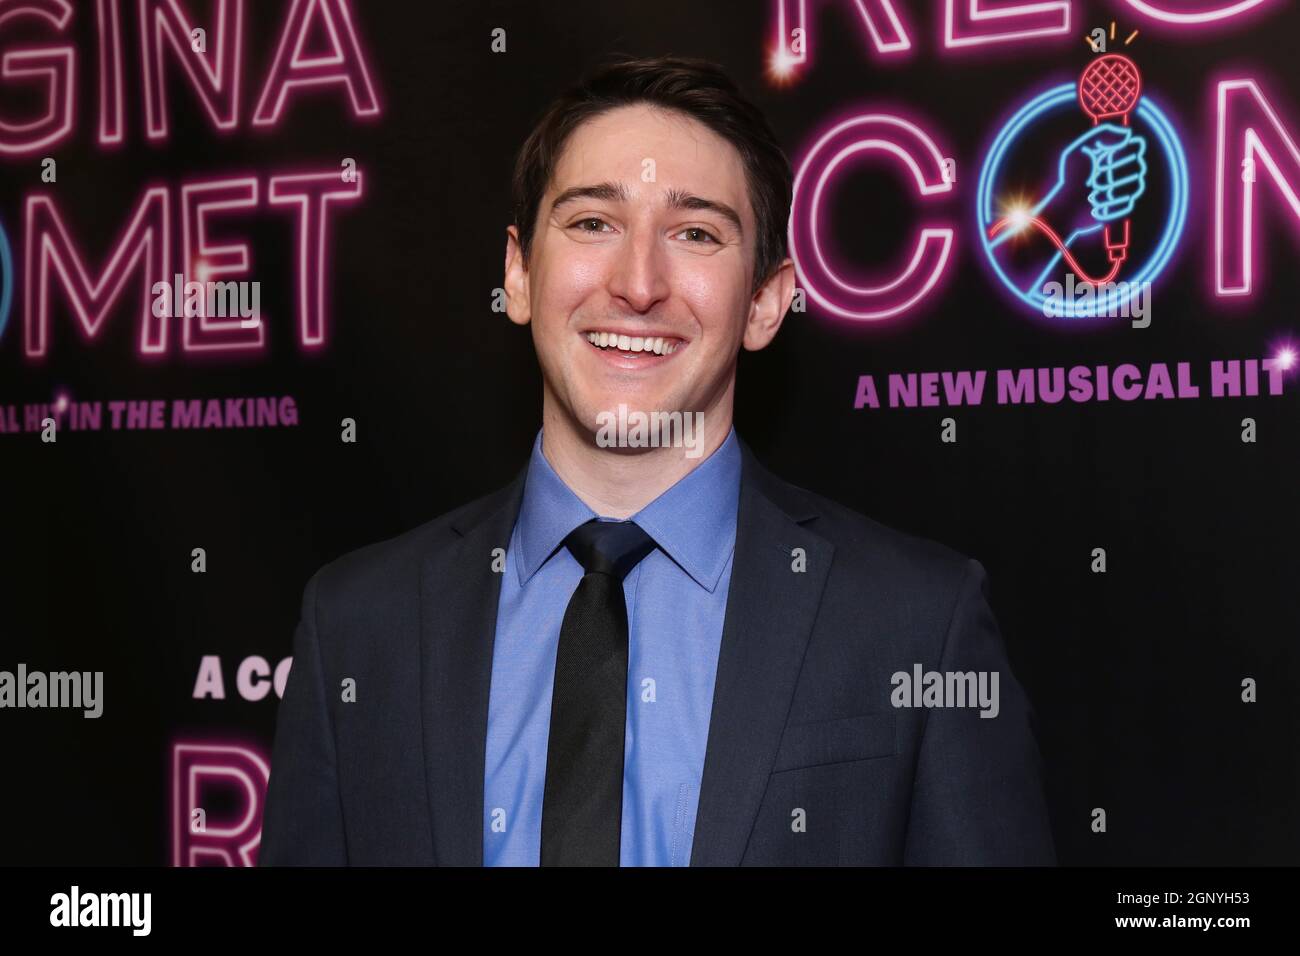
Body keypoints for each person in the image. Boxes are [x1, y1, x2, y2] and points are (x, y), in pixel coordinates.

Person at [260, 54, 1055, 867]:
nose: (638, 283)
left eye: (696, 233)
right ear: (518, 273)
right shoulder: (358, 626)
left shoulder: (917, 623)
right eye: (593, 222)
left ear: (765, 301)